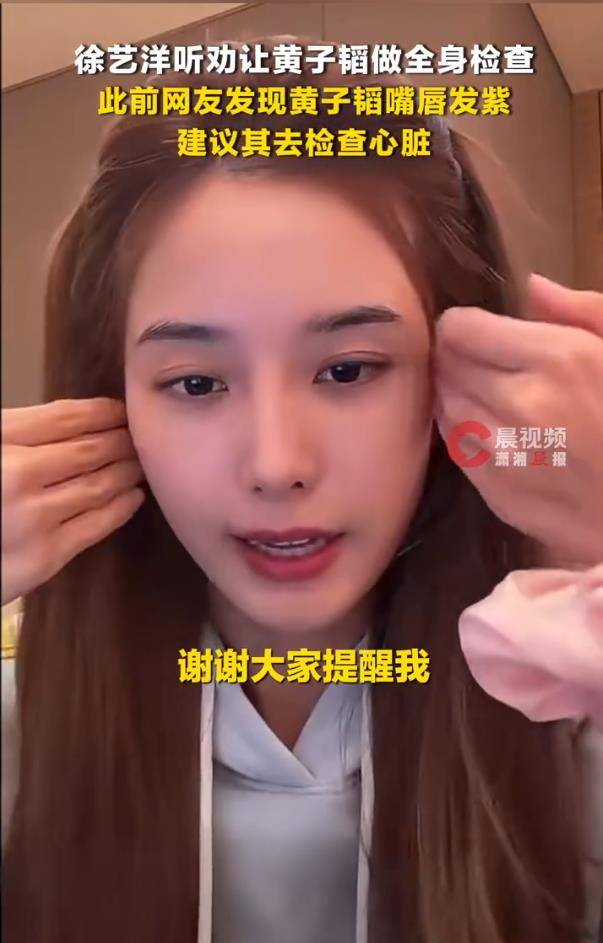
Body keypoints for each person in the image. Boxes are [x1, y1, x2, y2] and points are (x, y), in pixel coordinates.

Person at [2, 36, 602, 943]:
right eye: (196, 383)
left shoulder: (566, 723)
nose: (276, 462)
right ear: (108, 405)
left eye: (348, 369)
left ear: (463, 372)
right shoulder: (26, 738)